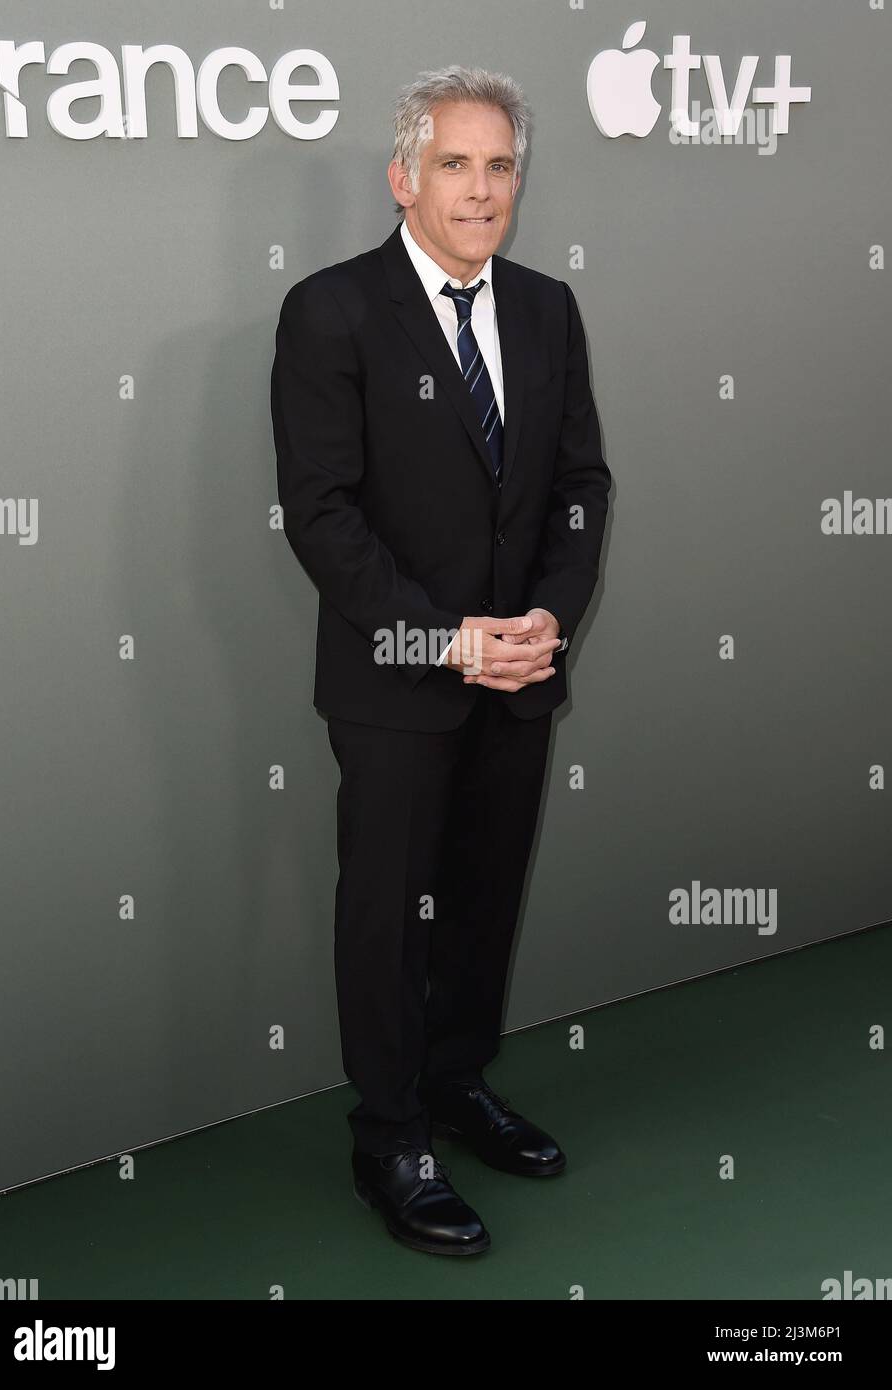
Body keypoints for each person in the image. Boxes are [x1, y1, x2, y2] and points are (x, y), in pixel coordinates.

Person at [270, 64, 611, 1257]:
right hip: (398, 685)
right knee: (390, 917)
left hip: (518, 681)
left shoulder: (546, 308)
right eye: (455, 164)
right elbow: (321, 515)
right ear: (402, 177)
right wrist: (445, 638)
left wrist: (543, 626)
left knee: (480, 902)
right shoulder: (332, 311)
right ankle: (392, 1134)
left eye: (500, 165)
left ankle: (459, 1085)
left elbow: (579, 490)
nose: (480, 189)